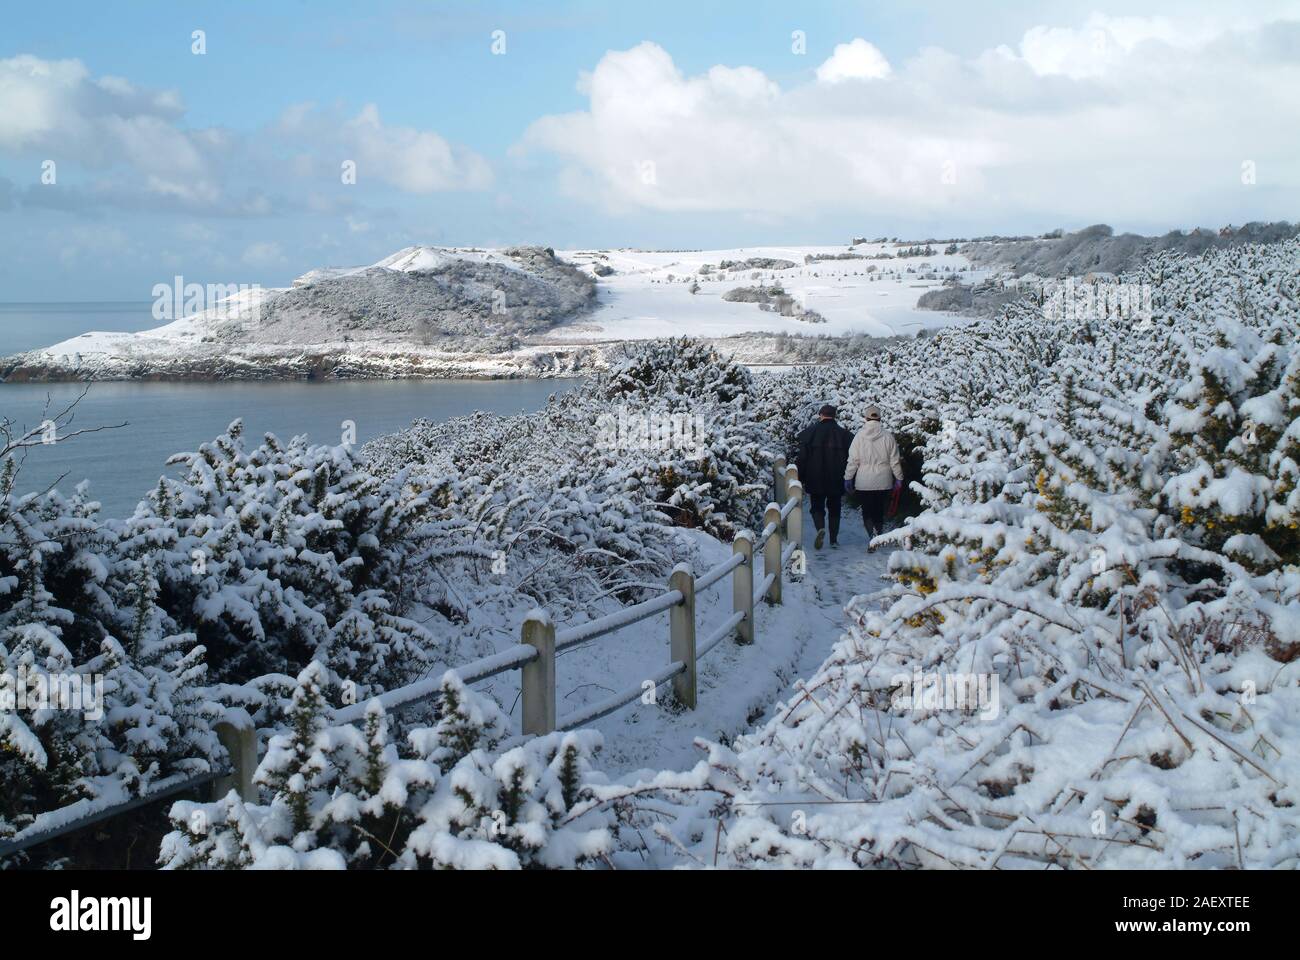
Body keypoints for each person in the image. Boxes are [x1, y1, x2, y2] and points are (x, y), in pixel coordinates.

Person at [844, 405, 903, 551]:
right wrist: (899, 478)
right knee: (879, 510)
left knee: (867, 510)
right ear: (880, 418)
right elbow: (894, 461)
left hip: (864, 481)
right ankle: (879, 533)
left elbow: (853, 461)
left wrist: (848, 478)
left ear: (866, 418)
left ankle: (871, 536)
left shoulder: (859, 437)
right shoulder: (888, 436)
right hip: (884, 480)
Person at [795, 404, 853, 549]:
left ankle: (820, 528)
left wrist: (799, 478)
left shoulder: (810, 433)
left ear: (820, 415)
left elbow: (802, 458)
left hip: (815, 478)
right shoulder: (844, 435)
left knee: (817, 507)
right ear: (835, 416)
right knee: (835, 508)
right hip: (837, 477)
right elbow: (852, 458)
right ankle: (833, 540)